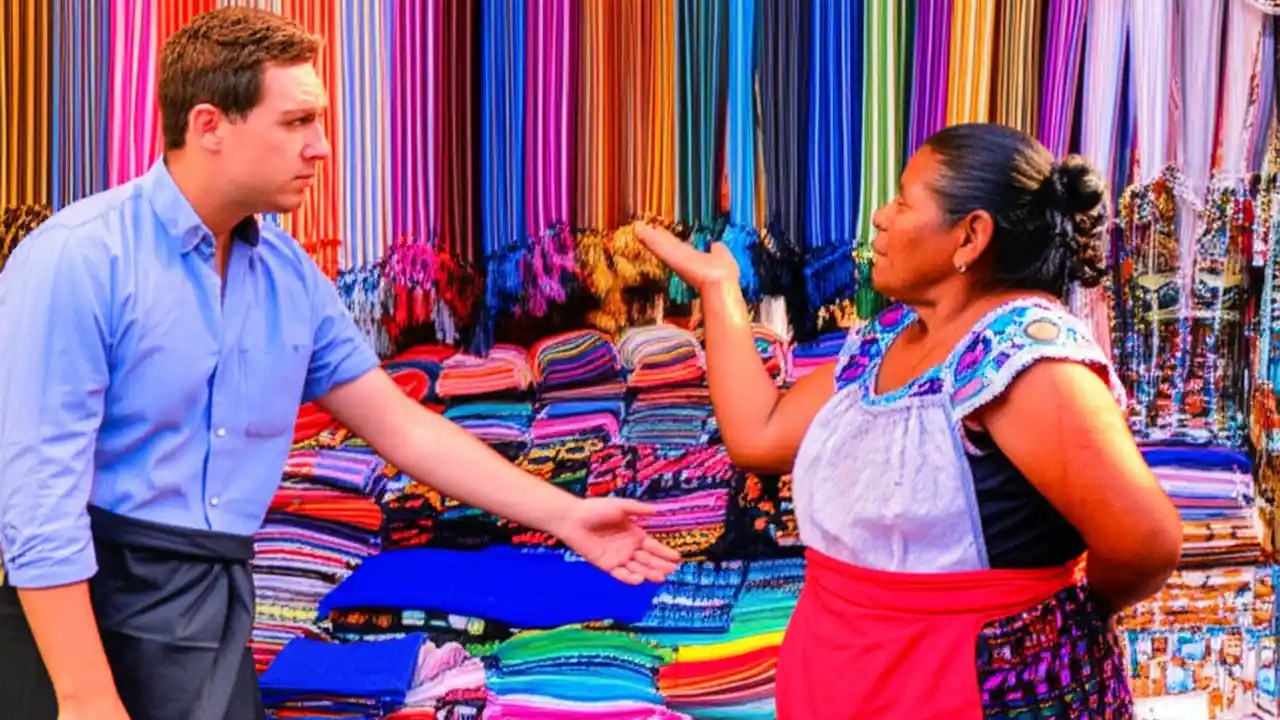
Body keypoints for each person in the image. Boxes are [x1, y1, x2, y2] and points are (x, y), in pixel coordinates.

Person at [0, 8, 679, 720]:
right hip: (80, 614)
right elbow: (39, 500)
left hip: (209, 606)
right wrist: (84, 697)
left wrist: (566, 515)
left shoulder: (288, 276)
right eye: (296, 122)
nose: (322, 148)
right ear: (209, 126)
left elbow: (401, 427)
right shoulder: (78, 259)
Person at [637, 123, 1182, 719]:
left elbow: (1144, 542)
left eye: (903, 199)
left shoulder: (1025, 354)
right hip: (849, 675)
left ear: (970, 236)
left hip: (964, 686)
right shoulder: (892, 339)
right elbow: (760, 432)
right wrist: (719, 289)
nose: (880, 217)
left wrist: (1061, 612)